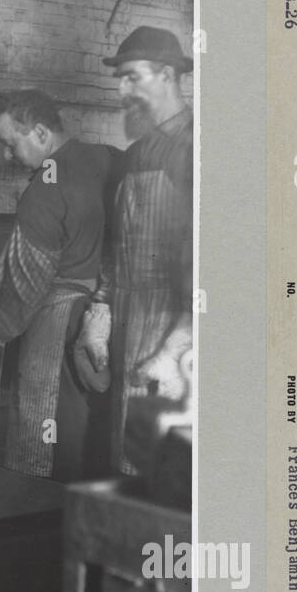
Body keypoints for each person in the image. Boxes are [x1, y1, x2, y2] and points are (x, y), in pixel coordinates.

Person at [0, 90, 121, 480]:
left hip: (55, 330)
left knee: (44, 452)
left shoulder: (44, 191)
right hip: (100, 325)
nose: (7, 156)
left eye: (9, 144)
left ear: (39, 132)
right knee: (87, 446)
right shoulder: (106, 159)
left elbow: (14, 302)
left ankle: (39, 530)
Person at [79, 26, 194, 476]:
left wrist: (181, 345)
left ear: (166, 74)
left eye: (132, 78)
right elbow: (116, 242)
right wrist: (101, 310)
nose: (122, 90)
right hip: (130, 317)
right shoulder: (134, 155)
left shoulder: (200, 149)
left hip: (174, 324)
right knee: (125, 454)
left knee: (166, 466)